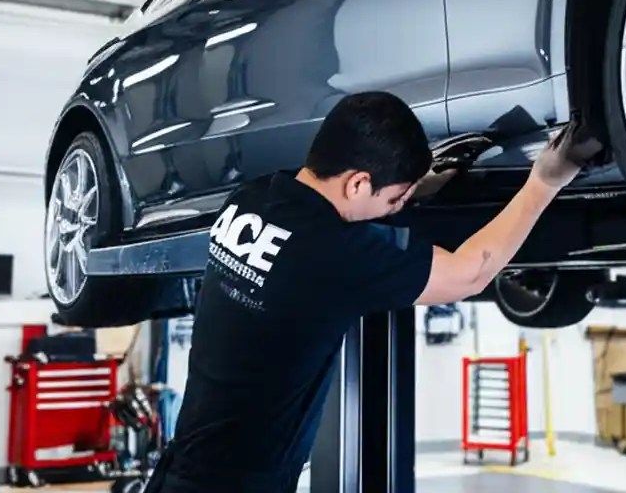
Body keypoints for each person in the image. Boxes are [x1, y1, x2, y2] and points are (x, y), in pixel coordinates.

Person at [145, 91, 602, 493]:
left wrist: (420, 184)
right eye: (394, 199)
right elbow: (468, 274)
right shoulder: (331, 255)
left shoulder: (252, 198)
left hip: (183, 466)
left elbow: (331, 226)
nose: (398, 207)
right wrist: (544, 181)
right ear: (359, 181)